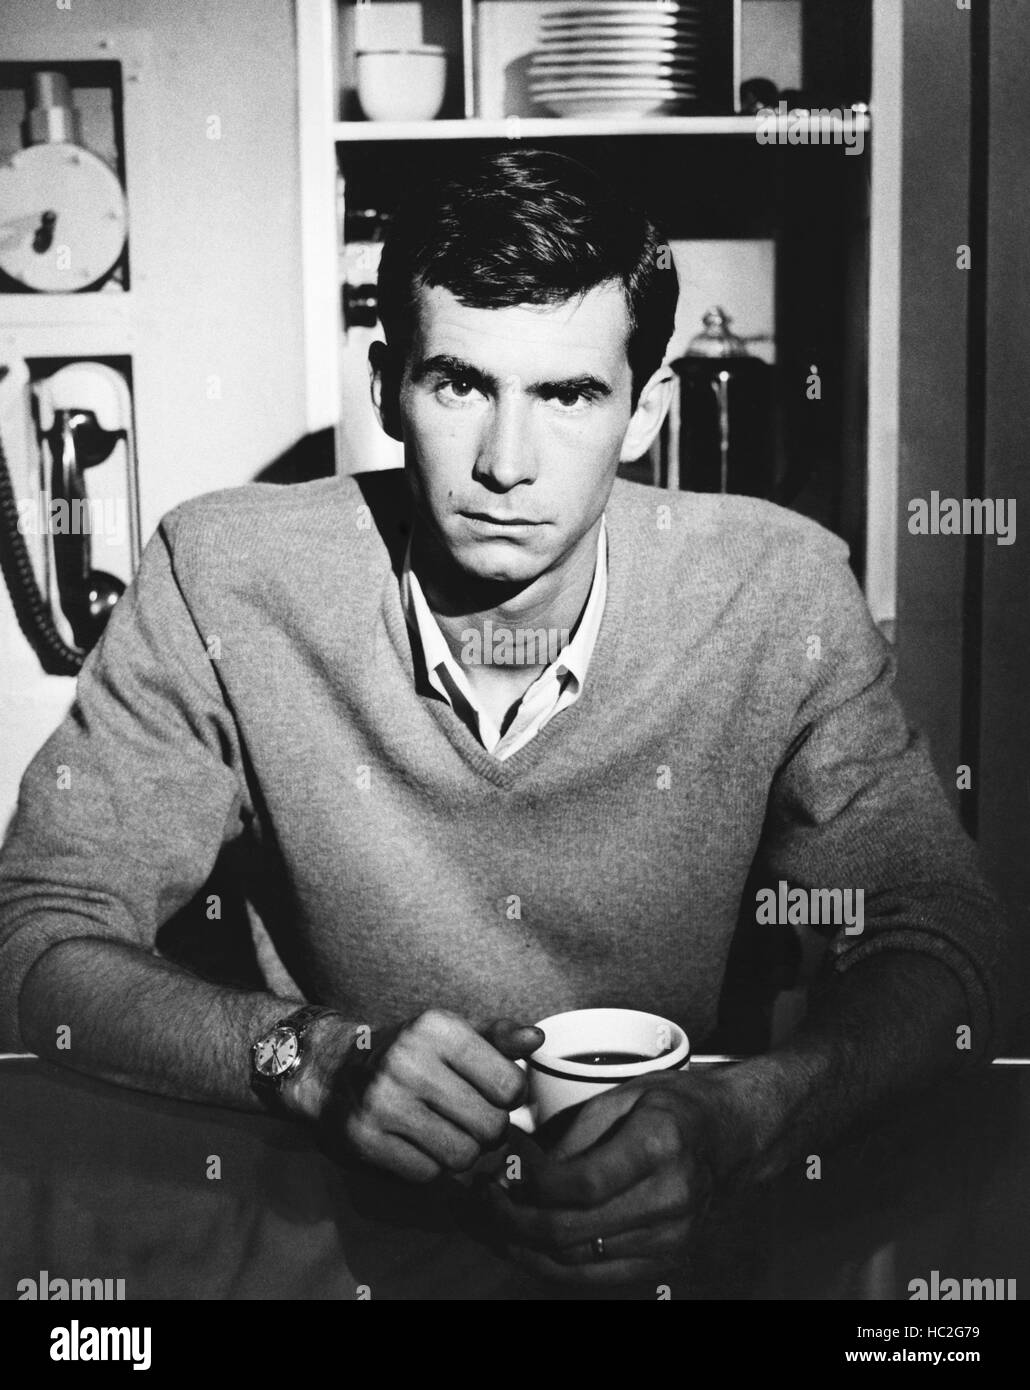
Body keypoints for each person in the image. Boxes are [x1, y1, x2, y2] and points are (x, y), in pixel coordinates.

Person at [0, 149, 1012, 1291]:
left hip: (667, 1248)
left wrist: (753, 1113)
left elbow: (944, 940)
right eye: (459, 384)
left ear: (646, 409)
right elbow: (32, 938)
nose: (503, 464)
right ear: (387, 386)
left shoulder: (777, 594)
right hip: (333, 1244)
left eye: (567, 394)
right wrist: (307, 1059)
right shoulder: (222, 574)